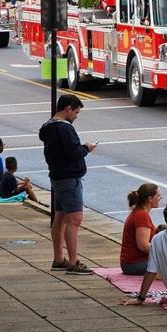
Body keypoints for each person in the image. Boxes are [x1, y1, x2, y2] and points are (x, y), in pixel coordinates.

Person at [39, 94, 95, 275]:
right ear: (68, 108)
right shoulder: (64, 129)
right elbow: (73, 152)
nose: (76, 116)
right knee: (74, 219)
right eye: (76, 112)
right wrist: (86, 148)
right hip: (69, 178)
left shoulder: (48, 126)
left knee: (60, 218)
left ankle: (58, 258)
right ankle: (73, 262)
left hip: (57, 177)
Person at [119, 183, 161, 275]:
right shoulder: (141, 215)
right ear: (150, 198)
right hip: (134, 264)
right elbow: (143, 246)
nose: (160, 198)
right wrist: (163, 253)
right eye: (158, 196)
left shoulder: (140, 212)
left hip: (134, 263)